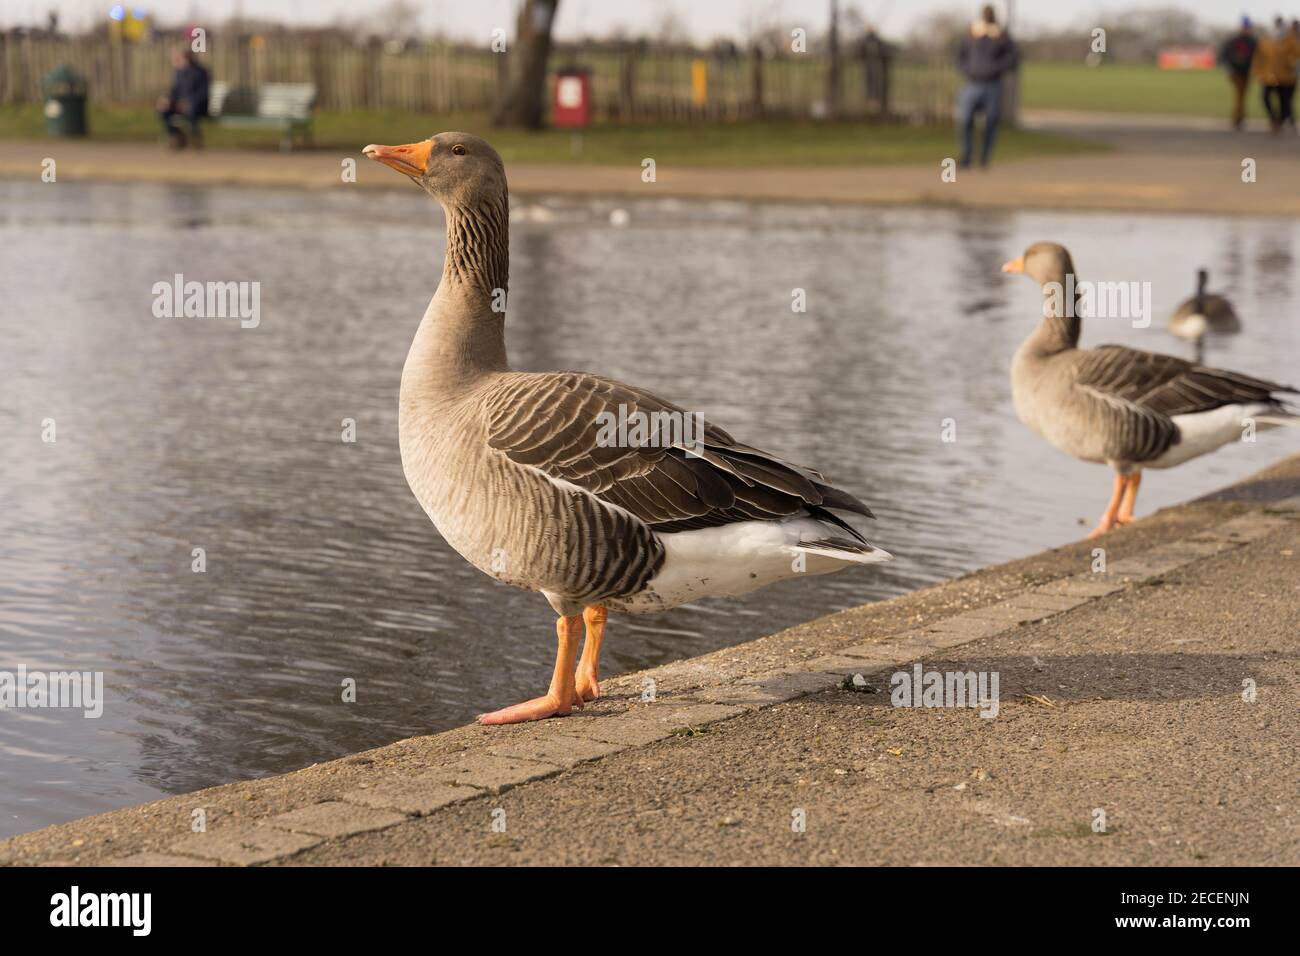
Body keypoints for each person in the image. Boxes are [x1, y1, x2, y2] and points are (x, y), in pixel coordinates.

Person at [955, 5, 1020, 169]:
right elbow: (959, 56)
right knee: (966, 120)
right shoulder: (971, 33)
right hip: (971, 83)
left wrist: (997, 68)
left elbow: (1013, 58)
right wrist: (968, 69)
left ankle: (984, 156)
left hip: (993, 84)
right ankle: (966, 155)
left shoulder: (1001, 35)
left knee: (991, 121)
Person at [156, 47, 210, 149]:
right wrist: (167, 100)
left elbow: (203, 92)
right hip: (180, 104)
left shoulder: (201, 72)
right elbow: (174, 90)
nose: (176, 60)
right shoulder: (178, 72)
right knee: (163, 110)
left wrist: (188, 102)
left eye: (179, 58)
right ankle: (177, 136)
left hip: (198, 105)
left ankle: (195, 137)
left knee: (191, 108)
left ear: (188, 58)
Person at [1219, 18, 1257, 130]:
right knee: (1240, 95)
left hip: (1246, 72)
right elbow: (1225, 54)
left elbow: (1257, 56)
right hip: (1236, 72)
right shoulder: (1234, 40)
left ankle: (1239, 117)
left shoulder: (1253, 41)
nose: (1246, 30)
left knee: (1241, 95)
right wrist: (1228, 68)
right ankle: (1238, 119)